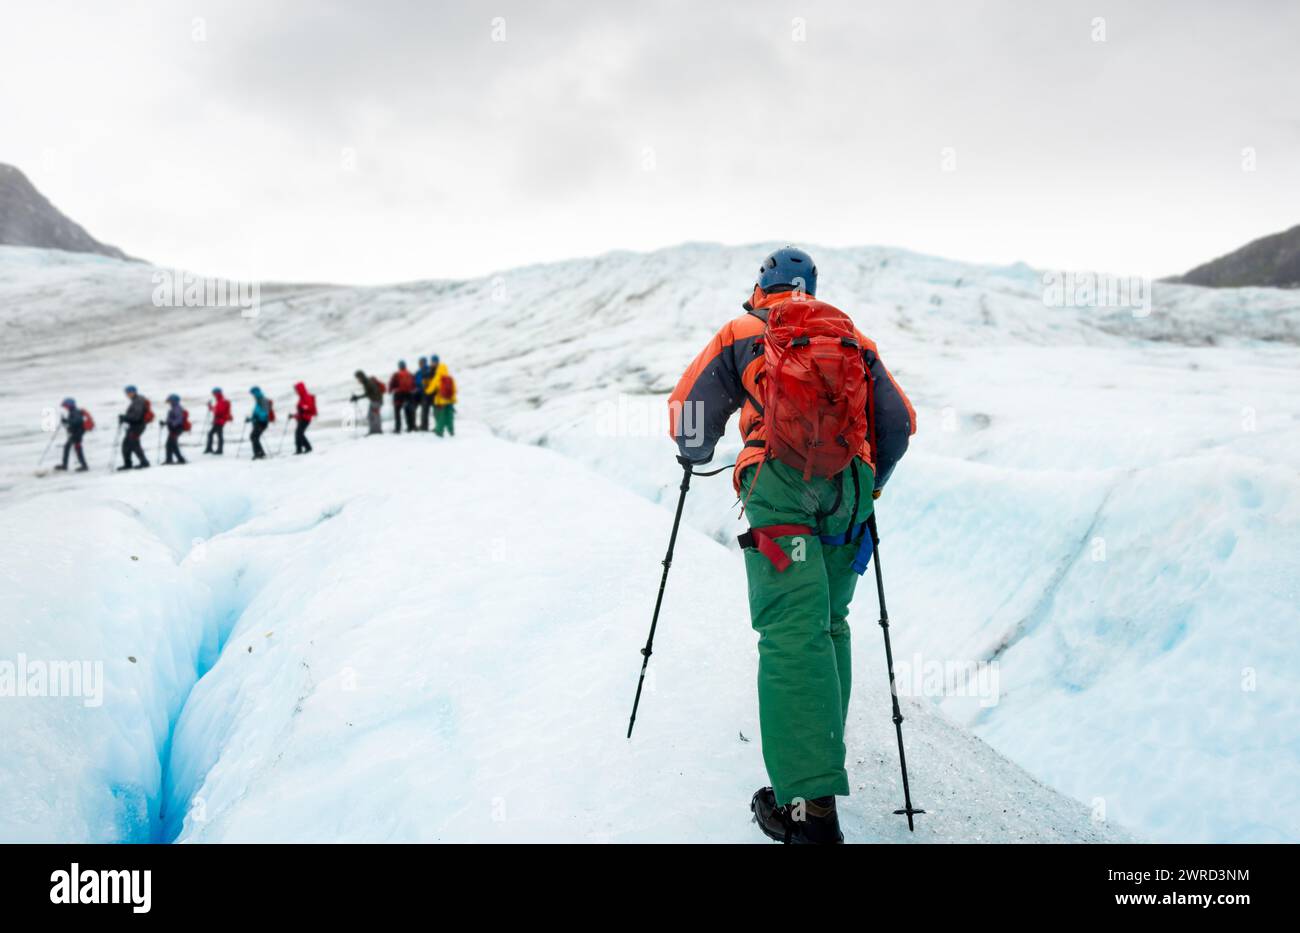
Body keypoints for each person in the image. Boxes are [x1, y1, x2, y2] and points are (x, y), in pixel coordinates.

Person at [667, 247, 916, 844]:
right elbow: (899, 423)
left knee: (791, 630)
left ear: (762, 286)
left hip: (781, 488)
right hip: (848, 491)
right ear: (811, 287)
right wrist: (868, 485)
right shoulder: (852, 338)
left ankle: (808, 808)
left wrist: (693, 457)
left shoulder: (744, 330)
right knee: (830, 622)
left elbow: (690, 415)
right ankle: (821, 758)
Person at [117, 385, 151, 470]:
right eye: (126, 393)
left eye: (129, 392)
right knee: (127, 444)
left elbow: (137, 416)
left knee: (134, 444)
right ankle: (128, 464)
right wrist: (125, 418)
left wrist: (125, 418)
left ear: (134, 392)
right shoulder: (136, 400)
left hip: (137, 426)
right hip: (135, 426)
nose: (127, 394)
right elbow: (134, 416)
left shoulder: (138, 401)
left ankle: (144, 462)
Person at [54, 398, 89, 472]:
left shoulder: (75, 412)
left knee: (76, 449)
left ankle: (83, 466)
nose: (65, 407)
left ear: (70, 405)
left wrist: (66, 421)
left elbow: (77, 421)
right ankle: (67, 465)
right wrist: (66, 422)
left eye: (66, 406)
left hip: (77, 434)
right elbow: (74, 422)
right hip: (76, 434)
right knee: (69, 448)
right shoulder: (73, 411)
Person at [350, 370, 384, 435]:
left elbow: (369, 393)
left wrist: (358, 397)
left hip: (376, 401)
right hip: (376, 400)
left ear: (361, 377)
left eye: (358, 378)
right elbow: (369, 393)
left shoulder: (367, 382)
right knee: (371, 416)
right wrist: (358, 397)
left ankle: (377, 431)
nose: (357, 380)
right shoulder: (367, 382)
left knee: (375, 416)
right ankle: (374, 430)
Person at [388, 360, 416, 434]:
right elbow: (414, 385)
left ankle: (398, 428)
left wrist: (390, 390)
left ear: (399, 366)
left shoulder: (396, 374)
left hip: (398, 395)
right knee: (408, 411)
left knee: (397, 412)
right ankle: (410, 427)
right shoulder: (410, 374)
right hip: (408, 395)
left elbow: (391, 384)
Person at [247, 386, 272, 460]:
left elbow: (265, 413)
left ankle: (259, 454)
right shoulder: (259, 400)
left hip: (262, 422)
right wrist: (251, 419)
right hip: (259, 422)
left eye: (253, 394)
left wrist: (256, 418)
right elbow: (257, 413)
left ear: (256, 393)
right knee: (254, 437)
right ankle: (260, 453)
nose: (252, 395)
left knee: (253, 436)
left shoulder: (263, 400)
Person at [163, 394, 188, 465]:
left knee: (170, 444)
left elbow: (179, 419)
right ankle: (178, 459)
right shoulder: (174, 408)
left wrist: (172, 425)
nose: (168, 402)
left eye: (169, 401)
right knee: (172, 444)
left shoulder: (177, 408)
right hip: (175, 429)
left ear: (173, 401)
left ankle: (171, 460)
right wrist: (165, 423)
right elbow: (172, 419)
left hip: (176, 429)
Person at [292, 381, 317, 454]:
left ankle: (304, 448)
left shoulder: (306, 397)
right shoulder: (302, 397)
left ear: (300, 389)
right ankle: (301, 449)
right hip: (302, 418)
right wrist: (293, 416)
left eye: (296, 389)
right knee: (299, 433)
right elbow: (301, 411)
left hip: (306, 419)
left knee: (299, 433)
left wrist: (304, 408)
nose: (296, 391)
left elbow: (309, 407)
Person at [432, 365, 457, 437]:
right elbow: (455, 390)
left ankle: (439, 431)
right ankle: (451, 430)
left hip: (441, 402)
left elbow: (431, 389)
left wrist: (427, 391)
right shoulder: (450, 378)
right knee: (450, 417)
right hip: (450, 401)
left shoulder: (438, 378)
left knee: (440, 417)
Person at [206, 388, 232, 454]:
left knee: (214, 434)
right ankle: (214, 449)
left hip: (220, 421)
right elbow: (216, 410)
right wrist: (210, 407)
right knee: (215, 434)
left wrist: (212, 408)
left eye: (214, 393)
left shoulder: (221, 401)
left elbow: (219, 411)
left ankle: (217, 450)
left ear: (217, 393)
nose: (213, 395)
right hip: (219, 420)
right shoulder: (220, 400)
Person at [414, 356, 433, 430]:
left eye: (420, 362)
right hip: (421, 393)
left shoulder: (426, 370)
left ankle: (424, 426)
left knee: (425, 410)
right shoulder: (421, 370)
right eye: (419, 362)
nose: (419, 364)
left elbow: (423, 382)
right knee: (424, 410)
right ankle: (423, 425)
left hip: (425, 393)